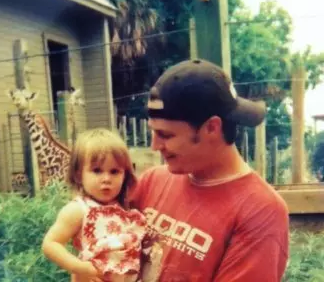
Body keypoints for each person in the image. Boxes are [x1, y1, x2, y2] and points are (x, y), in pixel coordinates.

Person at [132, 59, 289, 282]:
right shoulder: (152, 181)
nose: (154, 146)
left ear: (212, 128)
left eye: (166, 135)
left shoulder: (260, 210)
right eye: (153, 132)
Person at [42, 128, 162, 282]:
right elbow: (51, 243)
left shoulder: (124, 208)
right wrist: (80, 267)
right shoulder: (79, 210)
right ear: (79, 175)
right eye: (97, 170)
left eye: (114, 171)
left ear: (124, 175)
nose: (106, 178)